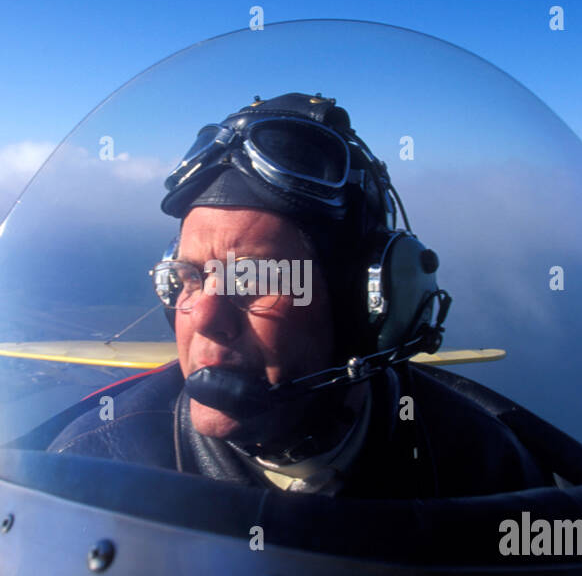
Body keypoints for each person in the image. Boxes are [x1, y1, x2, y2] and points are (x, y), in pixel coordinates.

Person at [45, 92, 546, 497]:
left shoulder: (483, 470)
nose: (203, 317)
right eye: (189, 277)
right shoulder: (92, 470)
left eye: (256, 281)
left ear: (367, 309)